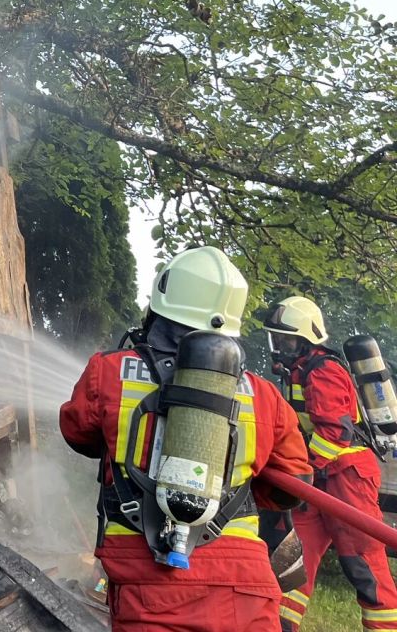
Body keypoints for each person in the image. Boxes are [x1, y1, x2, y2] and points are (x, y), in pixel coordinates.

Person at [61, 246, 312, 631]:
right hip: (246, 583)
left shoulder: (109, 372)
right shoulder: (263, 395)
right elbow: (293, 485)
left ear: (160, 306)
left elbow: (77, 433)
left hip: (150, 583)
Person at [265, 296, 397, 631]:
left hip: (346, 479)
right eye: (277, 338)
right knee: (294, 558)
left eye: (286, 338)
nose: (279, 345)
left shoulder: (324, 370)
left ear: (306, 338)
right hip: (320, 480)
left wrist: (301, 466)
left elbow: (335, 432)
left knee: (362, 564)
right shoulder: (297, 371)